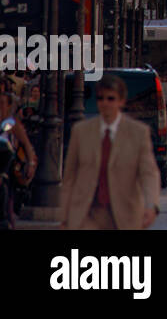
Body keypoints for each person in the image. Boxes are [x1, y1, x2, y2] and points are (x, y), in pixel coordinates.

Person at [60, 72, 160, 229]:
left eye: (110, 98)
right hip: (86, 214)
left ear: (121, 101)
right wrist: (64, 217)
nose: (105, 103)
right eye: (100, 98)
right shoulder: (81, 131)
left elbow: (148, 173)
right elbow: (69, 178)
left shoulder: (138, 133)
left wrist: (151, 205)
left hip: (125, 214)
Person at [0, 90, 35, 227]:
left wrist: (30, 163)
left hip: (6, 168)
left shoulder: (11, 124)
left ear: (8, 106)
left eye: (2, 103)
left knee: (7, 202)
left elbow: (26, 144)